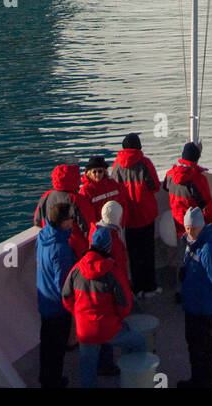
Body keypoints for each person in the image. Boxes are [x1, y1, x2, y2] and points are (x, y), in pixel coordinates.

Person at [62, 226, 146, 388]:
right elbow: (124, 305)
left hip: (85, 331)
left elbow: (66, 297)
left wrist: (78, 314)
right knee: (138, 342)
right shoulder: (112, 271)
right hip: (109, 329)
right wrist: (117, 319)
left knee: (87, 370)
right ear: (108, 247)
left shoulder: (76, 270)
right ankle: (134, 379)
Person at [178, 206, 212, 388]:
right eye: (187, 227)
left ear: (201, 226)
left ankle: (206, 383)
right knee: (193, 347)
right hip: (192, 304)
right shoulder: (192, 243)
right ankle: (196, 380)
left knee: (204, 350)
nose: (189, 231)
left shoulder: (208, 249)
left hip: (203, 307)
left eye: (193, 227)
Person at [164, 143, 212, 300]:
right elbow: (206, 205)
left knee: (182, 258)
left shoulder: (170, 175)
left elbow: (165, 187)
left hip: (179, 225)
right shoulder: (197, 179)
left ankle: (180, 291)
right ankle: (195, 292)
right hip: (196, 228)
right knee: (197, 261)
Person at [111, 133, 161, 297]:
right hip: (145, 214)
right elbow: (155, 186)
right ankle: (149, 287)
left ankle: (137, 287)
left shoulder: (117, 165)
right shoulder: (144, 163)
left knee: (133, 254)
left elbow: (114, 189)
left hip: (128, 216)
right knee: (147, 251)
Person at [36, 196, 77, 388]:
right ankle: (54, 381)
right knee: (57, 348)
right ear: (62, 222)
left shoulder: (44, 236)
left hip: (44, 301)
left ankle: (45, 378)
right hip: (58, 306)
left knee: (47, 345)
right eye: (70, 217)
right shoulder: (61, 248)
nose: (73, 220)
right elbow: (63, 282)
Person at [33, 164, 88, 256]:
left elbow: (37, 221)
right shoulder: (77, 200)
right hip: (75, 250)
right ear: (74, 179)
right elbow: (88, 227)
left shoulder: (46, 196)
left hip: (49, 246)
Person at [79, 155, 127, 229]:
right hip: (99, 228)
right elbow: (87, 214)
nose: (97, 174)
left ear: (104, 171)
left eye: (100, 171)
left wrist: (122, 222)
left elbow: (123, 203)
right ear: (89, 173)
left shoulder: (113, 184)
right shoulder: (86, 190)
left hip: (117, 225)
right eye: (94, 172)